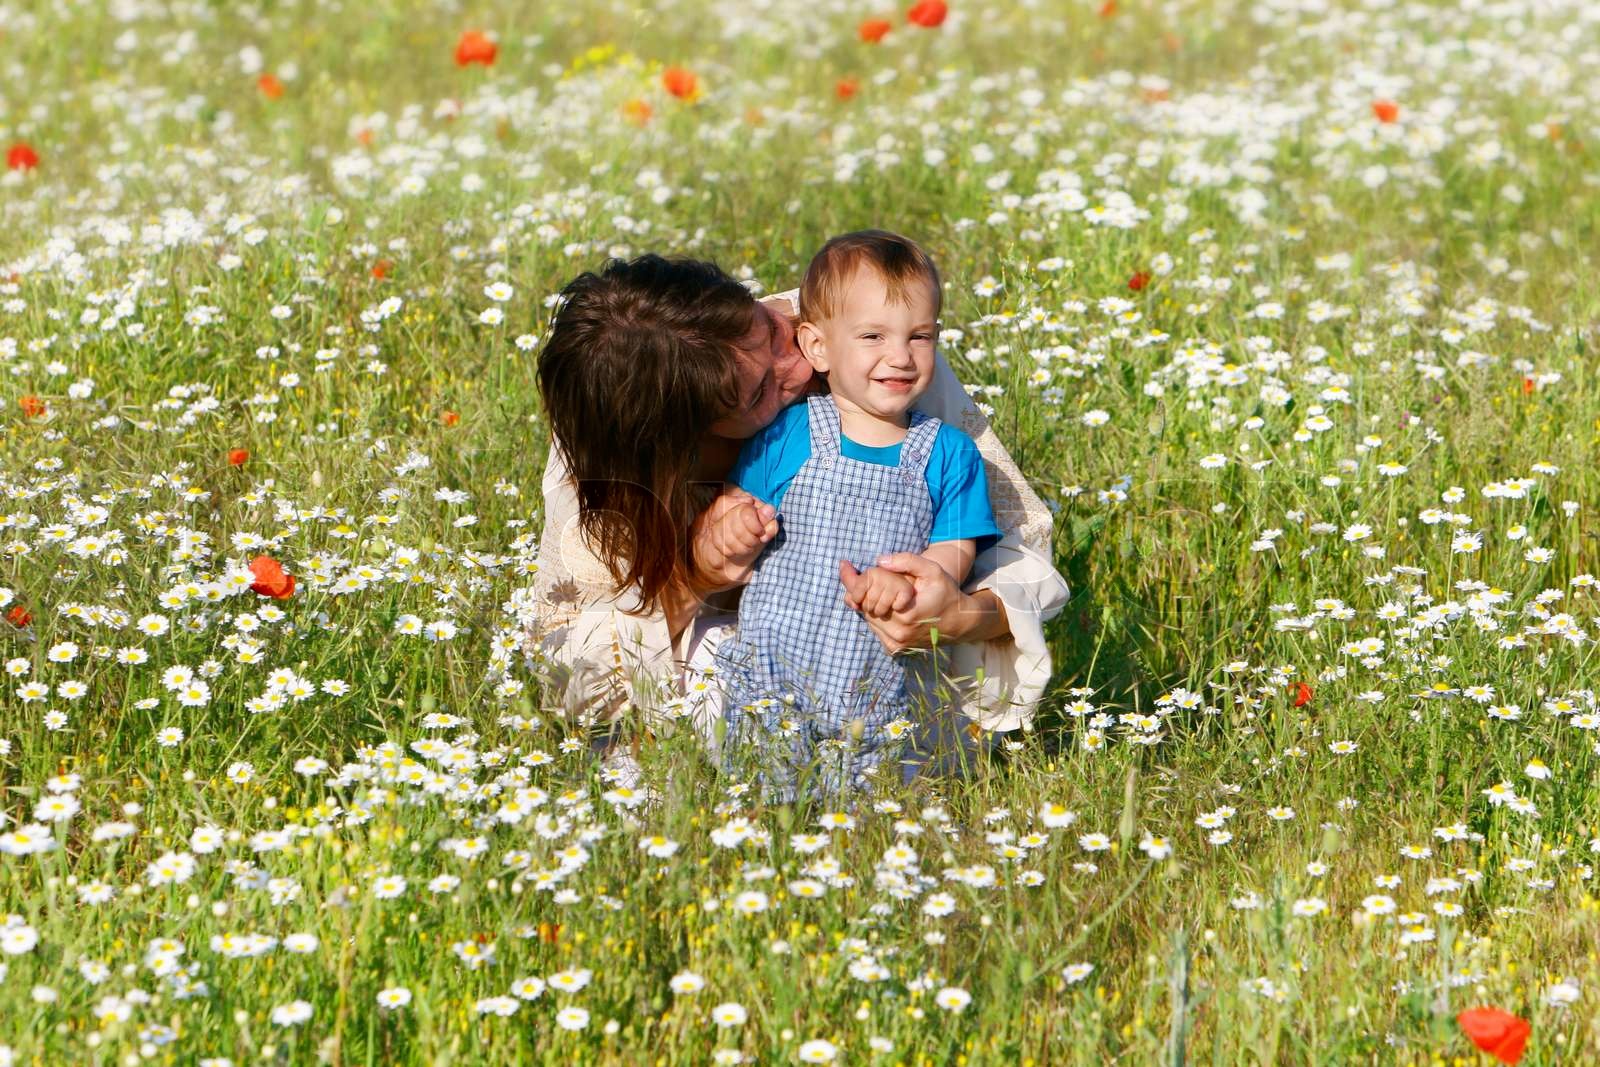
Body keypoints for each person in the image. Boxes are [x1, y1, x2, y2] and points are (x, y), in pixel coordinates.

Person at [522, 252, 1068, 781]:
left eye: (769, 326)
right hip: (756, 669)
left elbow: (1023, 544)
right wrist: (694, 578)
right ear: (685, 437)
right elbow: (565, 671)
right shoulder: (609, 473)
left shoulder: (869, 338)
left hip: (893, 663)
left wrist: (956, 617)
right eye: (760, 390)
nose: (801, 362)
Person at [714, 231, 1012, 799]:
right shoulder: (787, 433)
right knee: (760, 781)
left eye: (919, 336)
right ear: (818, 348)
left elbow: (954, 552)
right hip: (776, 656)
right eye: (873, 335)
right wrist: (732, 523)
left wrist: (909, 583)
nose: (899, 356)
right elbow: (736, 503)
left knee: (867, 791)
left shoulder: (949, 452)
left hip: (876, 670)